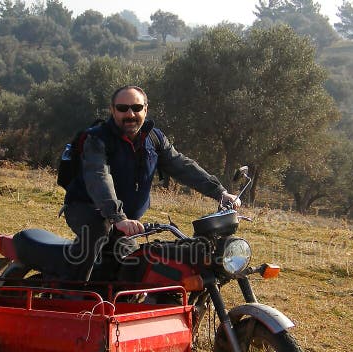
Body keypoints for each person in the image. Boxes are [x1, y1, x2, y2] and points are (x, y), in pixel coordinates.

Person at [62, 85, 241, 280]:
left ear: (145, 109)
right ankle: (73, 291)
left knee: (133, 268)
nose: (130, 114)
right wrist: (117, 217)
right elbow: (98, 177)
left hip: (125, 219)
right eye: (122, 108)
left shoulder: (154, 138)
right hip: (86, 208)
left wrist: (219, 192)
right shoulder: (97, 139)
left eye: (136, 108)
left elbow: (182, 165)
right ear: (112, 110)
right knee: (98, 230)